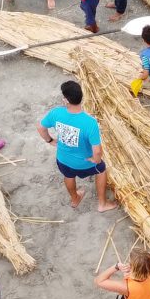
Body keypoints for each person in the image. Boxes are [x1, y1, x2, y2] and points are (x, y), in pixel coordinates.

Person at [39, 79, 113, 210]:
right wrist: (96, 160)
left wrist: (50, 141)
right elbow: (97, 151)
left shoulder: (56, 113)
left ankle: (75, 199)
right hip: (84, 162)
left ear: (66, 100)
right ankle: (102, 204)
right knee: (101, 170)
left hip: (63, 160)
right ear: (81, 97)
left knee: (68, 176)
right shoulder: (90, 122)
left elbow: (41, 128)